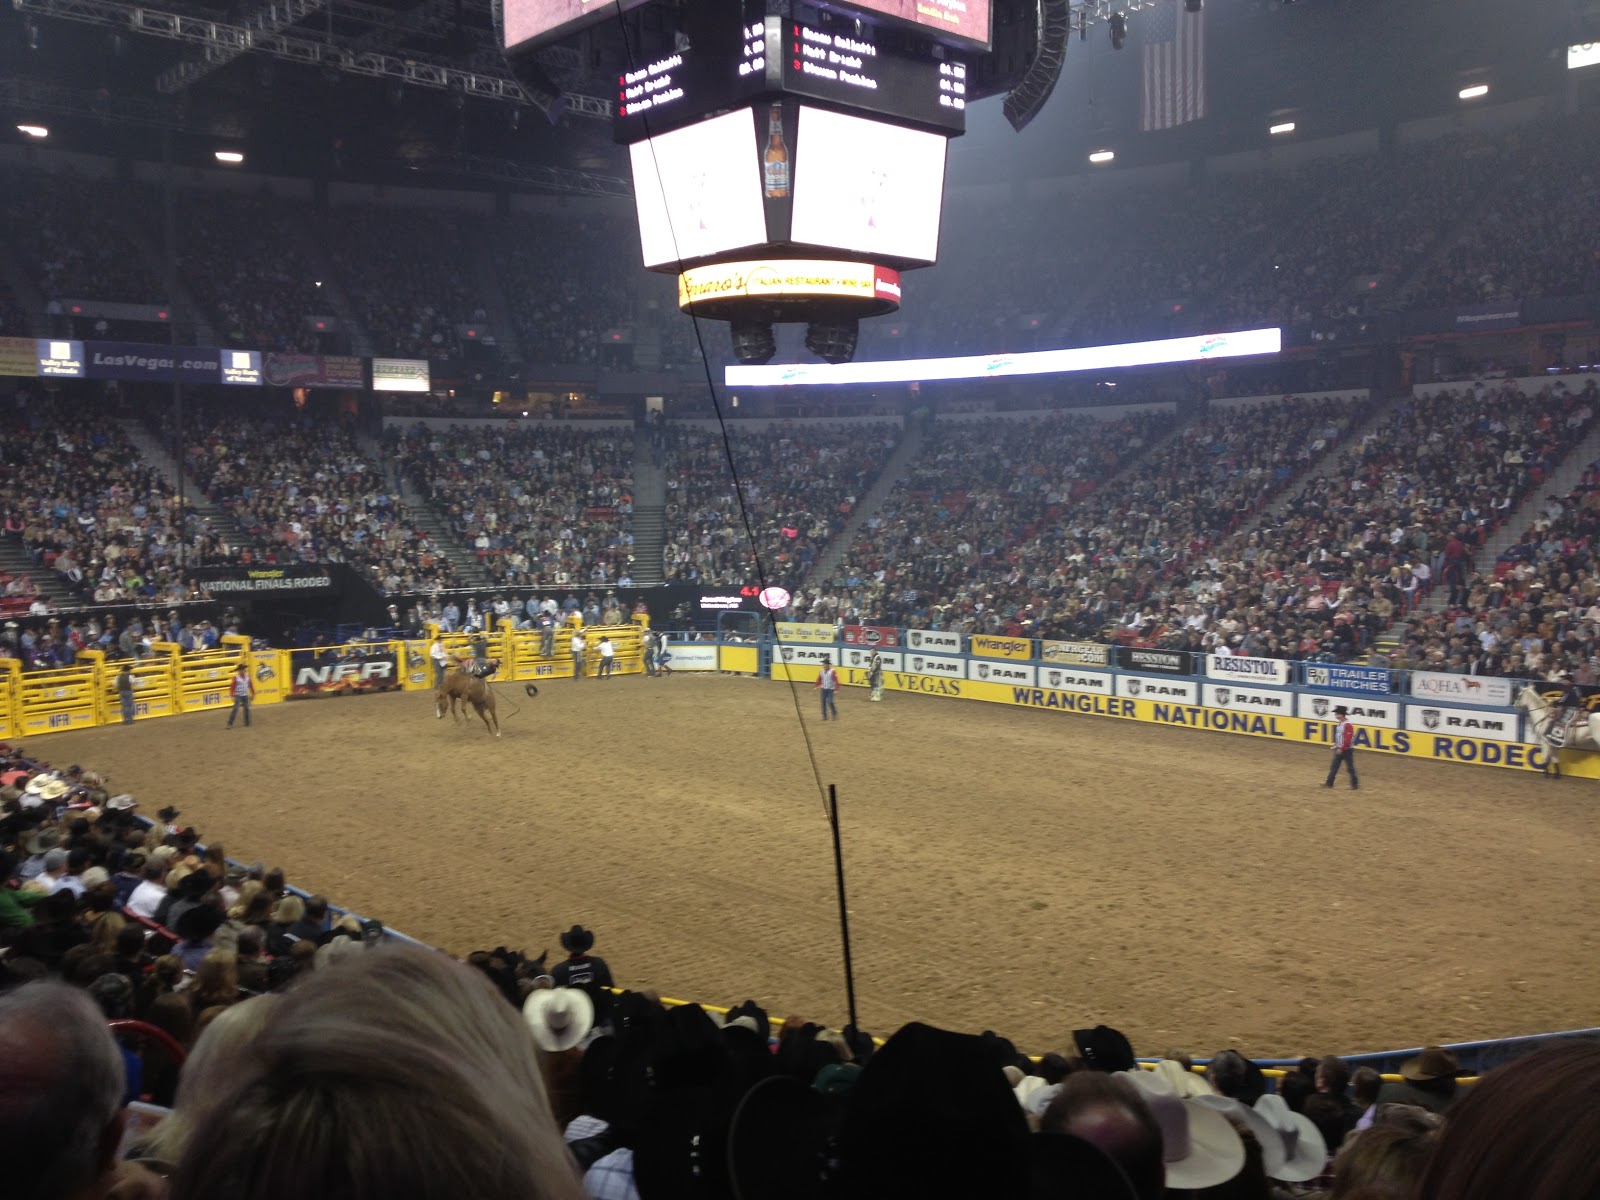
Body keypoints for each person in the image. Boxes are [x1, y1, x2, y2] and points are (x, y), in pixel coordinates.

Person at [1324, 704, 1358, 789]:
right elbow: (1341, 736)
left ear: (1341, 714)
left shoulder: (1347, 724)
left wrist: (1341, 748)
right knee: (1334, 767)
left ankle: (1354, 784)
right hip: (1340, 748)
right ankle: (1329, 783)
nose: (1335, 715)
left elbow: (1348, 739)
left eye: (1337, 713)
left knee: (1349, 768)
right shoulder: (1341, 723)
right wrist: (1336, 744)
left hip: (1346, 750)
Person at [226, 662, 255, 729]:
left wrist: (253, 693)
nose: (242, 671)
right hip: (238, 695)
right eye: (241, 669)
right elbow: (232, 687)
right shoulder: (236, 678)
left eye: (243, 669)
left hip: (244, 695)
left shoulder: (247, 677)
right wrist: (232, 695)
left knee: (246, 708)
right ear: (239, 670)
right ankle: (230, 723)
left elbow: (251, 685)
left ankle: (247, 722)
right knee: (236, 709)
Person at [817, 656, 840, 720]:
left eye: (824, 664)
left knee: (830, 701)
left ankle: (834, 713)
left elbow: (836, 680)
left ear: (827, 665)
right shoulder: (821, 671)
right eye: (823, 664)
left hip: (830, 689)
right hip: (824, 689)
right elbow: (819, 678)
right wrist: (817, 685)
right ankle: (824, 716)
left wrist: (836, 689)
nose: (824, 665)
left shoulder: (832, 671)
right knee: (823, 702)